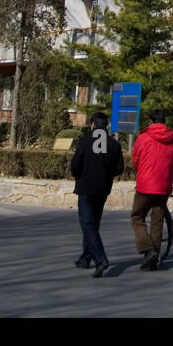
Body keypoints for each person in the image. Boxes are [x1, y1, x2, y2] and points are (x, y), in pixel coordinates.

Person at [130, 110, 173, 271]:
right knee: (157, 221)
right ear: (164, 121)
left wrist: (141, 170)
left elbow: (135, 159)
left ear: (151, 122)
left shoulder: (143, 137)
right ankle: (153, 260)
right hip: (164, 186)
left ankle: (148, 250)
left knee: (137, 217)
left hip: (145, 185)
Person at [70, 112, 124, 278]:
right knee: (93, 223)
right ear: (107, 126)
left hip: (86, 188)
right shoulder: (114, 144)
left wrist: (78, 175)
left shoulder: (85, 141)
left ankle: (100, 259)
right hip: (102, 189)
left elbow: (75, 165)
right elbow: (119, 169)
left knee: (87, 224)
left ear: (92, 125)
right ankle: (86, 258)